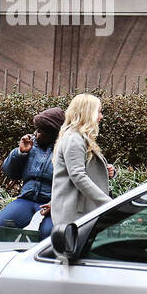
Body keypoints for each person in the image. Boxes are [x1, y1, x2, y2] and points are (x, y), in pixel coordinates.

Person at [0, 107, 64, 237]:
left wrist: (57, 203)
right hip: (27, 199)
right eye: (37, 129)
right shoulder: (30, 145)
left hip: (52, 203)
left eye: (42, 131)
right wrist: (20, 153)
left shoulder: (65, 149)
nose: (36, 133)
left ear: (54, 133)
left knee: (50, 233)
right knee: (0, 226)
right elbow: (10, 173)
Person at [50, 93, 115, 229]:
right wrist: (108, 203)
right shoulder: (74, 139)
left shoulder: (79, 138)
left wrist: (107, 170)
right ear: (88, 113)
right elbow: (78, 175)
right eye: (99, 112)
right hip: (75, 214)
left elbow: (82, 169)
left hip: (80, 211)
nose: (101, 117)